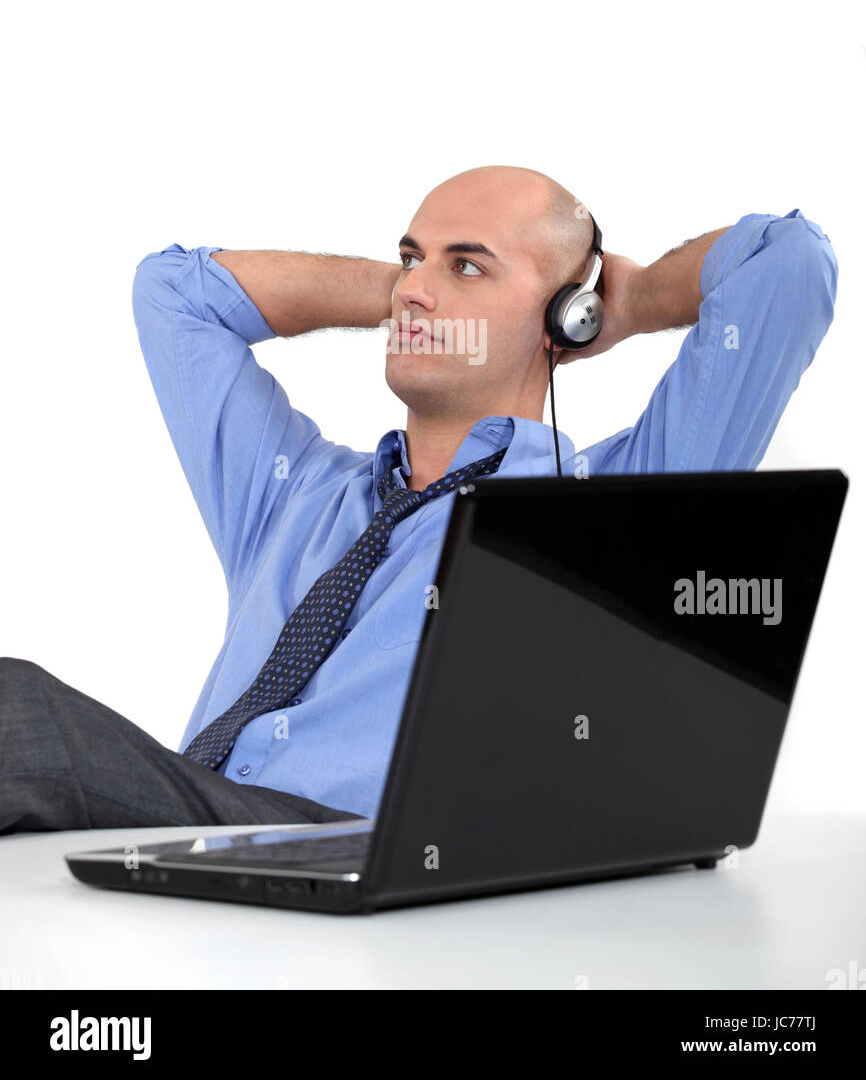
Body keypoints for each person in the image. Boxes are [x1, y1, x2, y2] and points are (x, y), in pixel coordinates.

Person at [0, 166, 838, 834]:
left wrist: (636, 300)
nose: (415, 287)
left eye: (467, 263)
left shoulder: (601, 507)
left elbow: (789, 266)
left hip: (361, 847)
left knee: (17, 708)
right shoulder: (294, 494)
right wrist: (413, 298)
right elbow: (172, 294)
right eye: (412, 257)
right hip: (187, 835)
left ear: (563, 316)